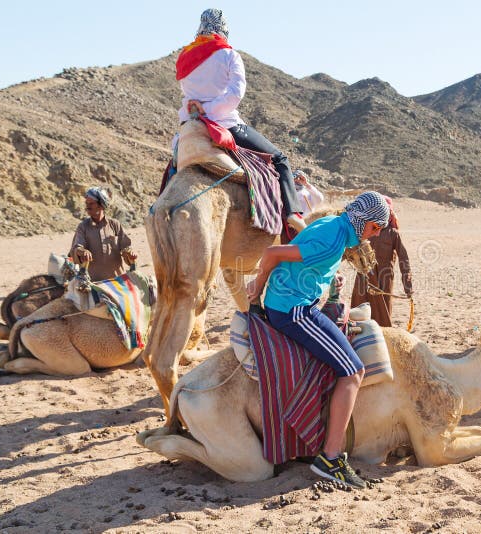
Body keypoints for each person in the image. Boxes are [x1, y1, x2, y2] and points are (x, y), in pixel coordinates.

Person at [246, 191, 390, 488]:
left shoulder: (334, 225)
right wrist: (255, 290)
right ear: (362, 221)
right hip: (292, 310)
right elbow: (272, 255)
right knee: (353, 372)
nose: (374, 236)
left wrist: (328, 276)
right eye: (375, 228)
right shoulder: (334, 240)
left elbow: (304, 256)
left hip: (299, 301)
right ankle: (331, 458)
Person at [177, 9, 305, 232]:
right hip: (224, 124)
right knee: (280, 159)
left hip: (190, 125)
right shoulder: (228, 55)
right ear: (223, 30)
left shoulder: (184, 58)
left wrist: (199, 110)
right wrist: (208, 109)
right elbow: (235, 94)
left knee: (173, 168)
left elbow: (188, 97)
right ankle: (293, 213)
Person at [350, 197, 413, 327]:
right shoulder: (365, 229)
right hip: (364, 275)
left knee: (383, 314)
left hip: (384, 278)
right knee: (359, 311)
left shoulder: (393, 233)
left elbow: (403, 258)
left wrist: (408, 286)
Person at [69, 187, 137, 281]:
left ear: (102, 205)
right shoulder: (83, 227)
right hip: (94, 284)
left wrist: (130, 253)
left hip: (117, 282)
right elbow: (76, 248)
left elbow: (126, 247)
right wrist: (82, 251)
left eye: (91, 203)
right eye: (87, 203)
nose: (87, 206)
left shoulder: (115, 224)